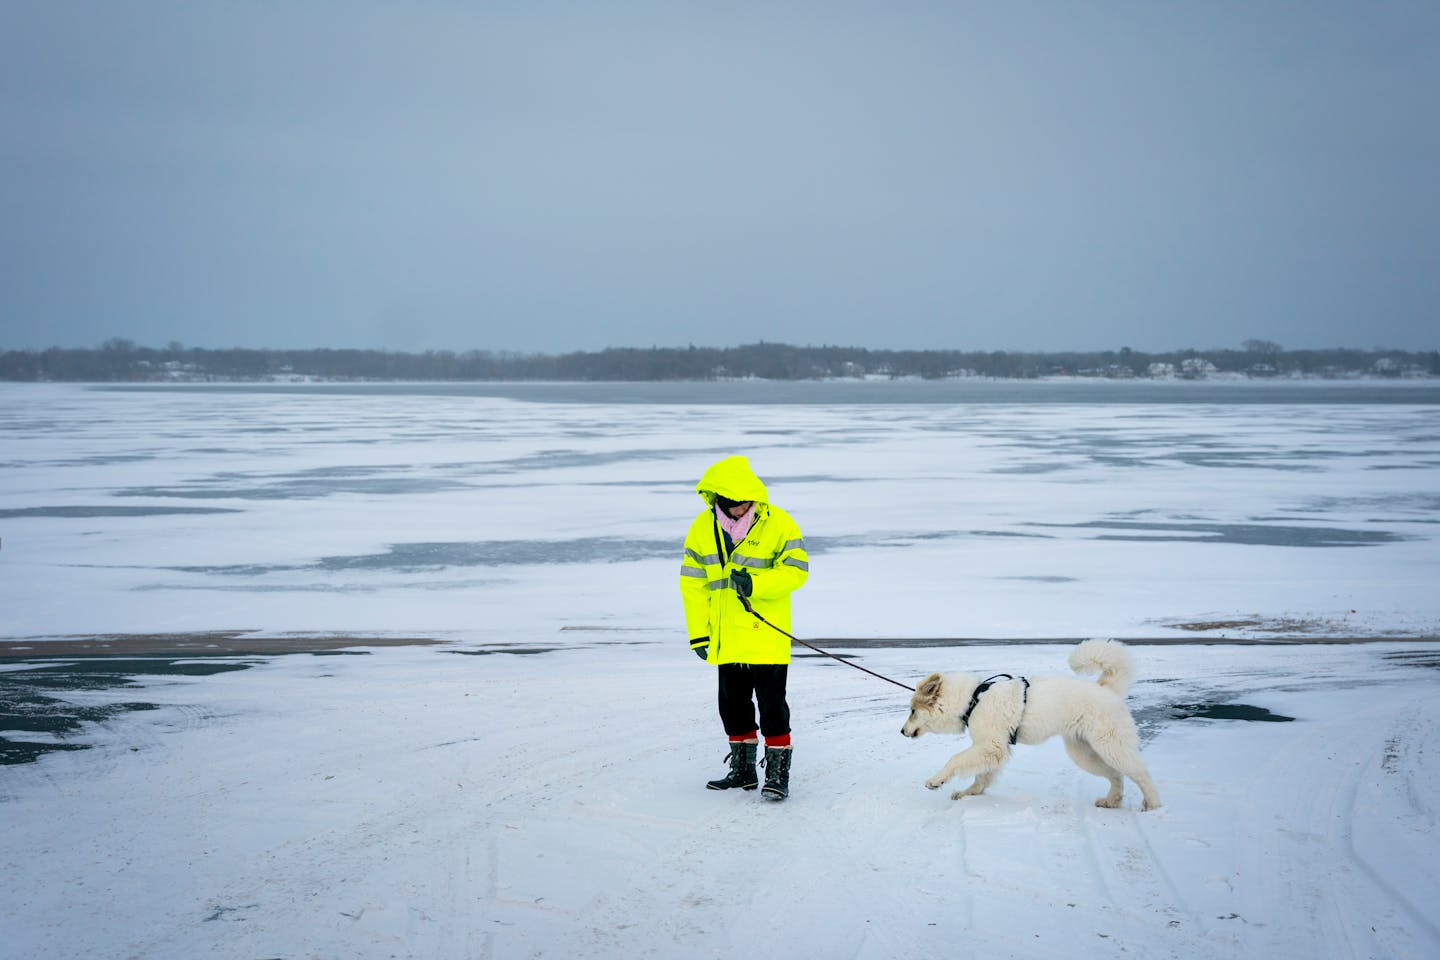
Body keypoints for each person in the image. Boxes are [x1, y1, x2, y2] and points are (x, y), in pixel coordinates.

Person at [679, 455, 809, 801]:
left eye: (745, 504)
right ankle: (743, 772)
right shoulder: (701, 528)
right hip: (726, 637)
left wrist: (755, 584)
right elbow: (692, 586)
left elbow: (797, 571)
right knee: (732, 706)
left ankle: (778, 775)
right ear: (719, 500)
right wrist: (699, 633)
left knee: (772, 706)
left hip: (766, 634)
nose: (740, 511)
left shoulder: (779, 523)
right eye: (734, 506)